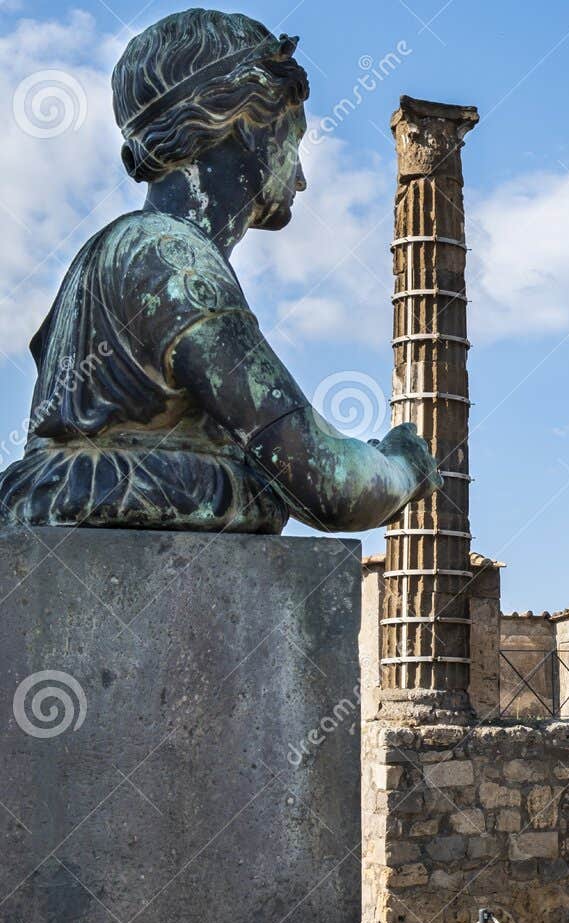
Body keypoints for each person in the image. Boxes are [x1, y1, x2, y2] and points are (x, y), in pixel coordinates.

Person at [0, 9, 437, 534]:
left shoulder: (110, 254)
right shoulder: (169, 258)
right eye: (294, 138)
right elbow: (328, 486)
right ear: (247, 122)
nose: (300, 178)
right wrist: (405, 462)